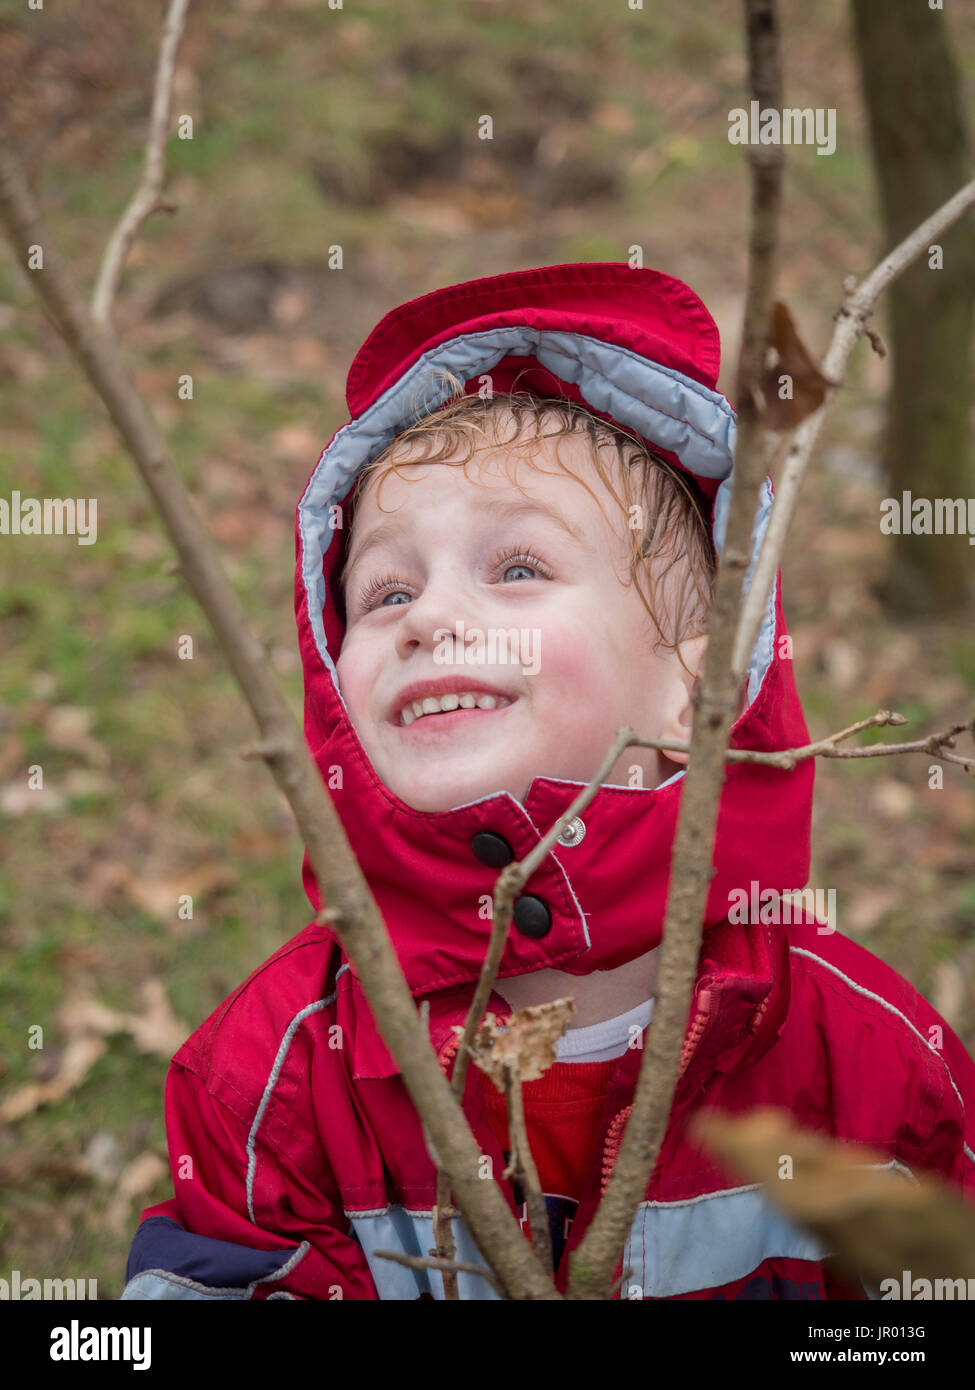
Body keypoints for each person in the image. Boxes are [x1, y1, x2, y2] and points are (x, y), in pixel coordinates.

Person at [121, 262, 975, 1300]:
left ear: (698, 692)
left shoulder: (865, 1060)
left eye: (517, 569)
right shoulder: (278, 1073)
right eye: (385, 591)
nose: (430, 617)